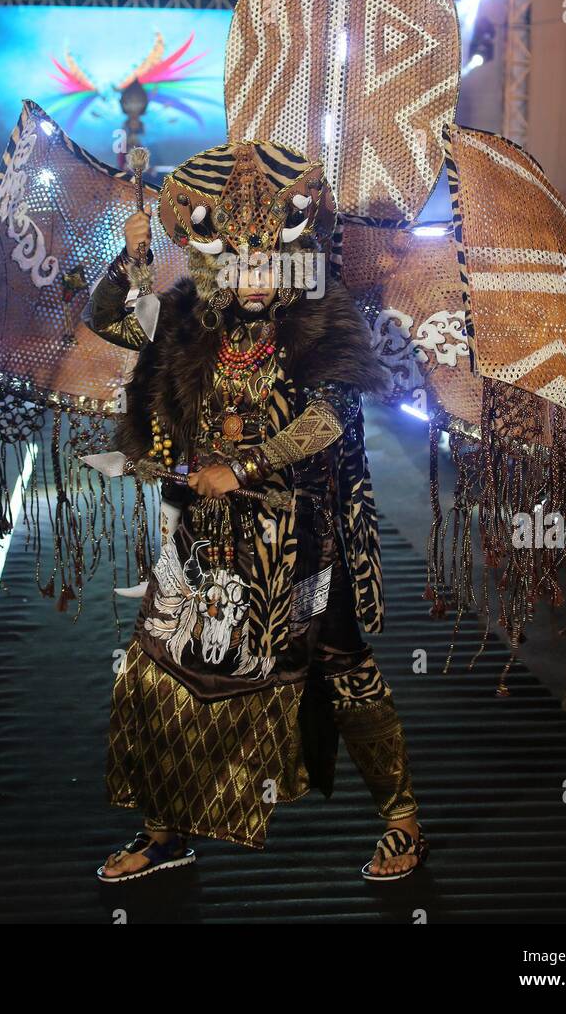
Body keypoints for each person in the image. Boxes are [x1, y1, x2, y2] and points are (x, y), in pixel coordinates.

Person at [86, 141, 427, 882]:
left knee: (338, 665)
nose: (252, 275)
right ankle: (165, 829)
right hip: (203, 535)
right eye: (238, 261)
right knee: (166, 666)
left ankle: (402, 820)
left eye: (267, 259)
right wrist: (129, 259)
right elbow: (109, 320)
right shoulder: (186, 314)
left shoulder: (319, 315)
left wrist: (241, 466)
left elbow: (329, 417)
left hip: (302, 537)